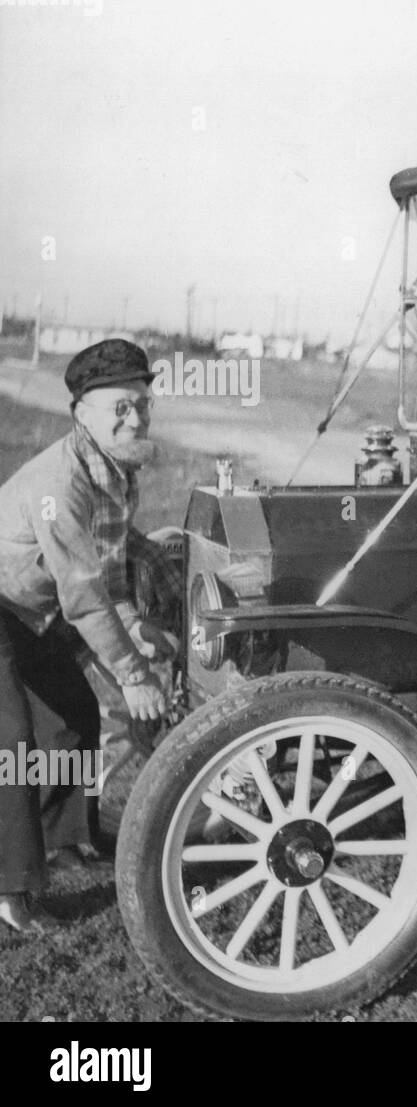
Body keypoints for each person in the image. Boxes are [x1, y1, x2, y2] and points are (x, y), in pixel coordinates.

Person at [0, 339, 180, 933]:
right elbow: (81, 594)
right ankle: (12, 893)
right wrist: (132, 676)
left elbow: (111, 573)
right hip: (6, 605)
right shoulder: (62, 483)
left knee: (72, 713)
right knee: (14, 747)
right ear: (81, 413)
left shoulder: (119, 471)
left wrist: (133, 629)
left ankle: (66, 840)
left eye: (142, 404)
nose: (135, 418)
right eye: (119, 408)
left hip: (30, 607)